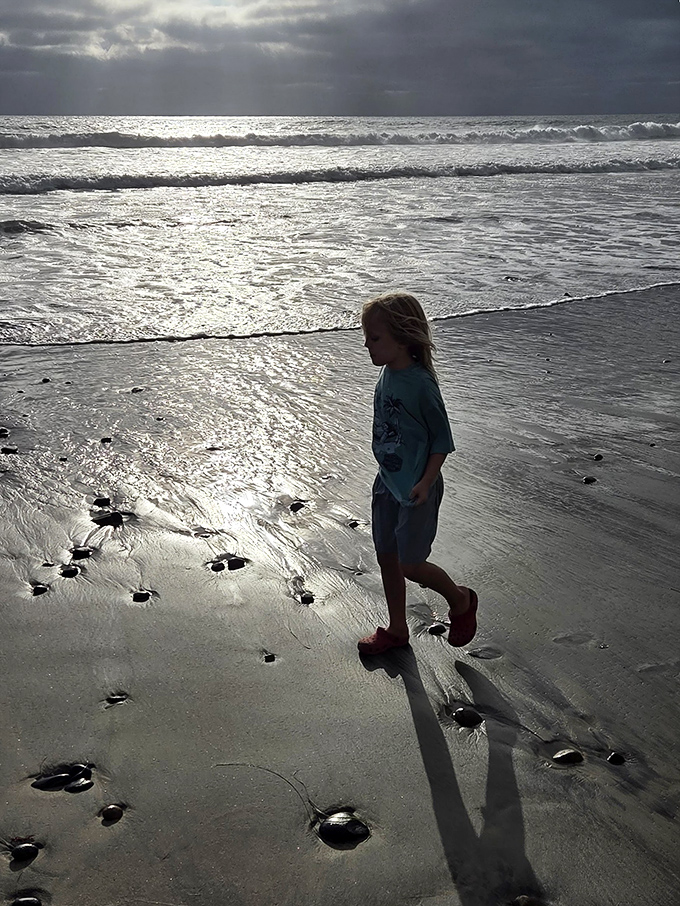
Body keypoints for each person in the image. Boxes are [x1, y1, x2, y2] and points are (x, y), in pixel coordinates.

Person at [357, 291, 478, 655]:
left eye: (374, 338)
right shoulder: (387, 374)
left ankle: (460, 599)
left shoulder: (421, 385)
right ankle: (397, 629)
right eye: (365, 337)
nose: (367, 345)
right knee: (386, 557)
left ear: (403, 336)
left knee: (411, 564)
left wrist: (426, 482)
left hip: (416, 488)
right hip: (387, 483)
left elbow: (442, 439)